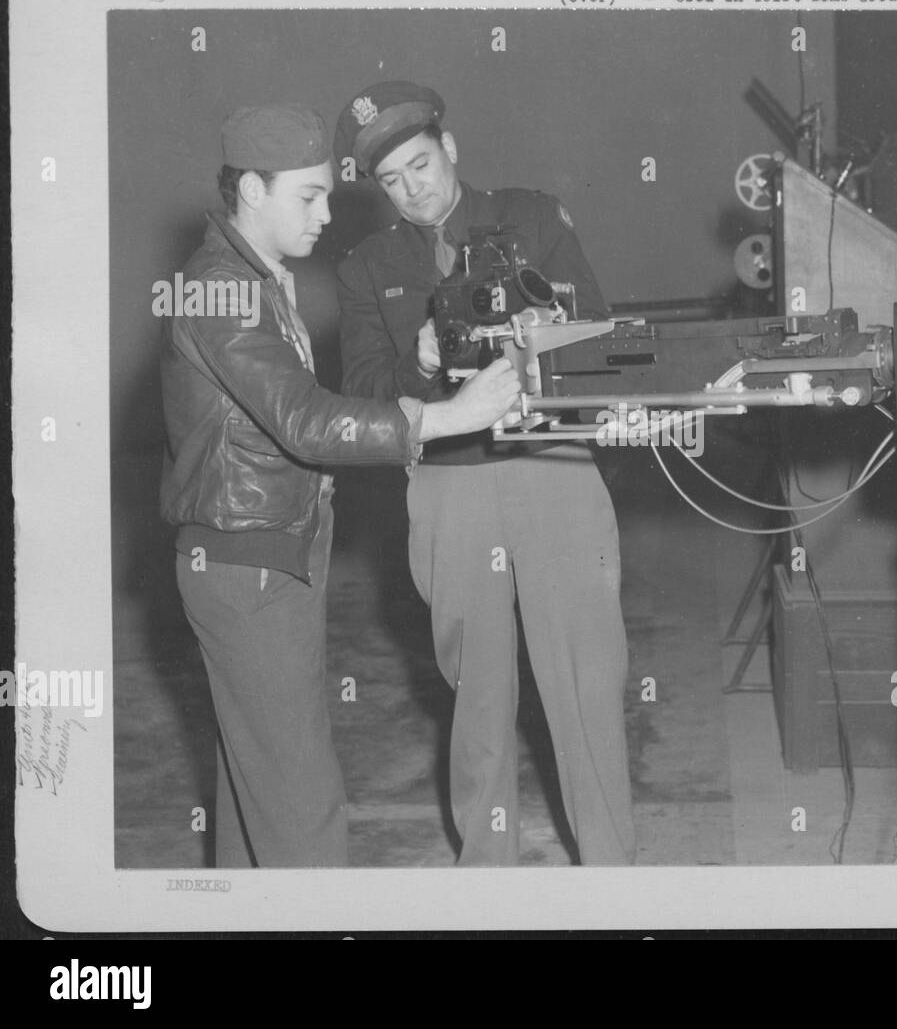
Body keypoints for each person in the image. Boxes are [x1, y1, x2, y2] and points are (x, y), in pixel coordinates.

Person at [159, 103, 520, 867]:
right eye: (308, 196)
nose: (327, 214)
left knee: (254, 792)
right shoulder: (218, 289)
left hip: (267, 557)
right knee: (302, 815)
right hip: (249, 563)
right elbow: (306, 422)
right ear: (251, 190)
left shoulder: (253, 277)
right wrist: (450, 415)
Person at [333, 81, 636, 866]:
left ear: (451, 147)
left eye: (421, 164)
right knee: (478, 686)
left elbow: (600, 337)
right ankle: (487, 876)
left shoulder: (533, 216)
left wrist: (537, 335)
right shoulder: (368, 266)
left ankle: (613, 872)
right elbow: (365, 400)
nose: (413, 188)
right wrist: (420, 357)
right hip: (449, 482)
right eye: (392, 180)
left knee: (586, 674)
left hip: (553, 465)